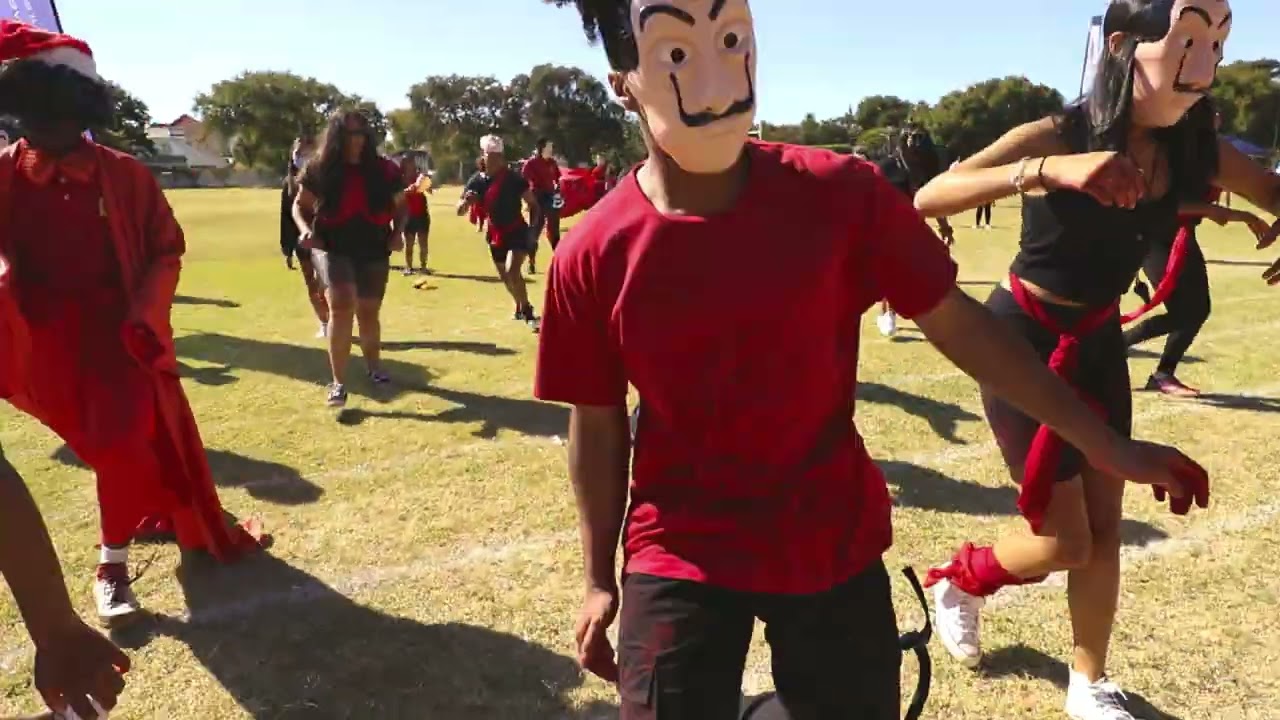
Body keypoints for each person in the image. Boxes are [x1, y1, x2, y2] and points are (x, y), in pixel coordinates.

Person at [540, 2, 1207, 718]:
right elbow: (599, 421)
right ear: (623, 81)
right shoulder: (592, 254)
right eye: (675, 53)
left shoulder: (839, 196)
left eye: (731, 39)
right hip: (679, 549)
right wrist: (598, 578)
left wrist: (1109, 447)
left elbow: (966, 330)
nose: (714, 76)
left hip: (829, 530)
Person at [913, 3, 1277, 717]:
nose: (1204, 63)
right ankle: (958, 580)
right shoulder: (1059, 130)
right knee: (1064, 543)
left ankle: (1089, 682)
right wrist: (1045, 170)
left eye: (1217, 43)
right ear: (1122, 45)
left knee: (1105, 528)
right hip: (1022, 337)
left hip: (1101, 340)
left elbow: (1272, 190)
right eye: (1188, 38)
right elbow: (930, 195)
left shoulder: (1195, 149)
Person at [0, 20, 267, 627]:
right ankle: (145, 509)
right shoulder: (4, 175)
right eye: (37, 122)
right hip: (44, 346)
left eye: (62, 121)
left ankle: (111, 567)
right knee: (109, 453)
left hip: (120, 340)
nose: (50, 135)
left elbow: (166, 249)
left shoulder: (125, 175)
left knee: (121, 448)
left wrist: (147, 315)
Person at [1123, 103, 1273, 397]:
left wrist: (1251, 211)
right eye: (1208, 112)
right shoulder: (1169, 154)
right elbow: (1162, 204)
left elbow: (1256, 188)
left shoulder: (1210, 155)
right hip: (1156, 237)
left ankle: (1158, 369)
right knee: (1185, 311)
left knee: (1196, 309)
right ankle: (1123, 348)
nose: (1217, 117)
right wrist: (1228, 213)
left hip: (1181, 236)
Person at [293, 109, 405, 407]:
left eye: (361, 134)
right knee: (342, 304)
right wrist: (305, 230)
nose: (356, 141)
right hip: (333, 245)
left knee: (368, 311)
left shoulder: (384, 170)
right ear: (336, 137)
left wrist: (398, 232)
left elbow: (401, 206)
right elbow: (299, 205)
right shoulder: (320, 168)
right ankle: (338, 383)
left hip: (373, 245)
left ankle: (374, 367)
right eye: (349, 134)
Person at [875, 127, 955, 337]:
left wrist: (944, 225)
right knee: (891, 269)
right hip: (885, 226)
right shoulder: (888, 168)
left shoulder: (926, 168)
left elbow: (932, 198)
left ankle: (894, 311)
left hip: (913, 227)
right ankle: (888, 312)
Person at [457, 135, 541, 332]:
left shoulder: (513, 178)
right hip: (494, 233)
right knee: (505, 277)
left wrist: (533, 231)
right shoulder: (477, 180)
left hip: (517, 230)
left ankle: (528, 310)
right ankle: (519, 304)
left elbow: (533, 205)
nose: (494, 161)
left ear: (502, 158)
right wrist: (466, 203)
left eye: (498, 157)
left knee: (513, 271)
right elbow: (459, 210)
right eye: (490, 156)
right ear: (483, 157)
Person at [280, 132, 330, 338]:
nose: (301, 157)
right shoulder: (289, 183)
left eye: (306, 153)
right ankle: (325, 323)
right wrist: (287, 248)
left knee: (325, 283)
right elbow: (286, 216)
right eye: (298, 153)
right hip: (302, 242)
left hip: (325, 239)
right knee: (311, 282)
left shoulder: (323, 178)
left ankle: (336, 319)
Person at [523, 137, 562, 273]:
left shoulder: (552, 163)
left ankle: (559, 262)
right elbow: (523, 181)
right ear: (542, 149)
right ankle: (531, 262)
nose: (551, 150)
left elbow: (558, 178)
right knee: (534, 231)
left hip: (550, 197)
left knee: (554, 231)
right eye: (549, 147)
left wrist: (558, 191)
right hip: (537, 198)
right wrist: (527, 200)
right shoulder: (531, 163)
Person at [399, 155, 433, 276]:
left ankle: (423, 267)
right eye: (408, 162)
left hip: (422, 215)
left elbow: (428, 187)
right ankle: (408, 267)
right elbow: (400, 194)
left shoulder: (420, 176)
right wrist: (409, 189)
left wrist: (424, 185)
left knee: (423, 244)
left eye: (412, 162)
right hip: (408, 216)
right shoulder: (400, 180)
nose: (411, 165)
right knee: (409, 244)